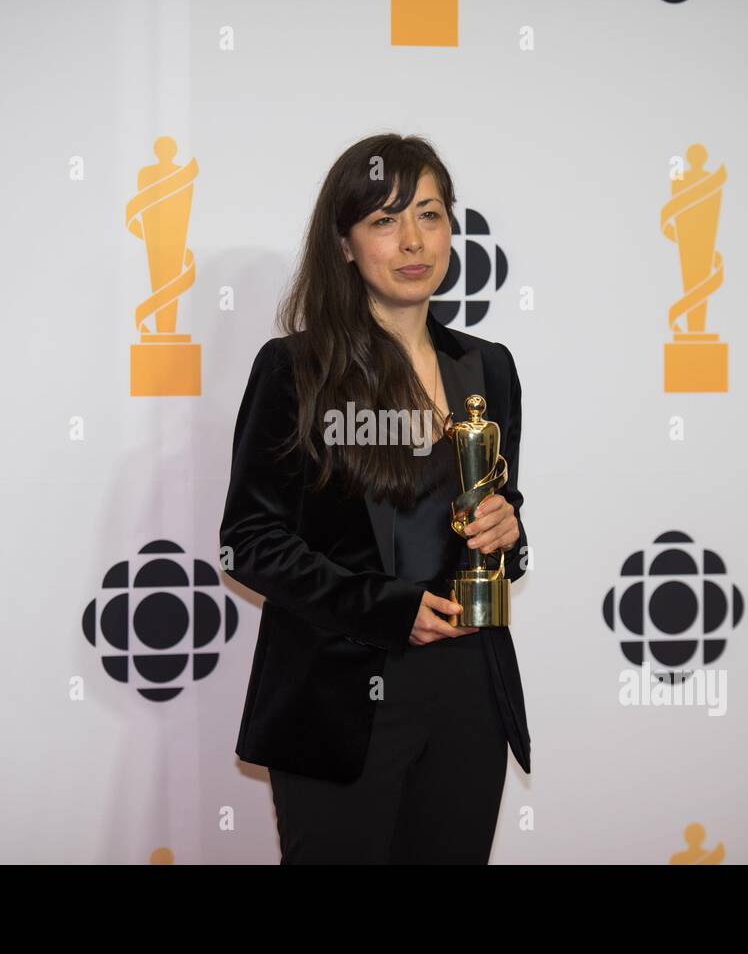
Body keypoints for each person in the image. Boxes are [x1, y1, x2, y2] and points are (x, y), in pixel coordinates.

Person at [219, 133, 530, 864]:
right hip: (342, 698)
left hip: (469, 694)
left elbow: (499, 525)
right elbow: (249, 540)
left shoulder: (488, 367)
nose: (413, 240)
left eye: (429, 213)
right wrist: (387, 608)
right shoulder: (297, 369)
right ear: (345, 243)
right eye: (385, 220)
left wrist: (509, 529)